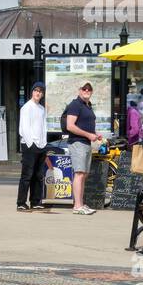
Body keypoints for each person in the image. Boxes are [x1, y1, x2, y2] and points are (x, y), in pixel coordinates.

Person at [61, 82, 106, 215]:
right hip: (77, 142)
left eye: (89, 89)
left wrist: (95, 134)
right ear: (79, 90)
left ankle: (80, 203)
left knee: (84, 174)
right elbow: (70, 126)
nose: (87, 90)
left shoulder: (87, 105)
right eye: (84, 88)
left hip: (86, 143)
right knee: (79, 173)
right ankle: (77, 206)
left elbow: (86, 125)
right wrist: (88, 135)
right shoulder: (75, 104)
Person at [17, 82, 49, 212]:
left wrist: (44, 142)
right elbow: (24, 128)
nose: (38, 93)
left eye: (40, 91)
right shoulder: (27, 107)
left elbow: (44, 127)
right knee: (27, 175)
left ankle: (35, 201)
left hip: (41, 145)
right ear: (32, 92)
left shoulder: (41, 109)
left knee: (38, 175)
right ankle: (21, 202)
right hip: (30, 145)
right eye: (36, 90)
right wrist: (31, 143)